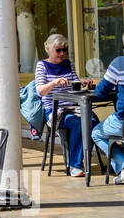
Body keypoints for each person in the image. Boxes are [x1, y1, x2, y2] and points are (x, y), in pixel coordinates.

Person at [34, 33, 95, 178]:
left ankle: (78, 159)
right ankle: (75, 165)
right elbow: (40, 91)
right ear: (48, 48)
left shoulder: (68, 64)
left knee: (93, 122)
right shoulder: (42, 66)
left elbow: (75, 84)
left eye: (64, 50)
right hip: (55, 110)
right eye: (58, 50)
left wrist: (83, 83)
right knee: (79, 124)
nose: (62, 54)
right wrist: (54, 82)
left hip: (73, 107)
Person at [91, 42, 124, 184]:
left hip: (122, 121)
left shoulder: (119, 63)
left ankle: (123, 166)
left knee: (96, 133)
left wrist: (101, 82)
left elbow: (101, 92)